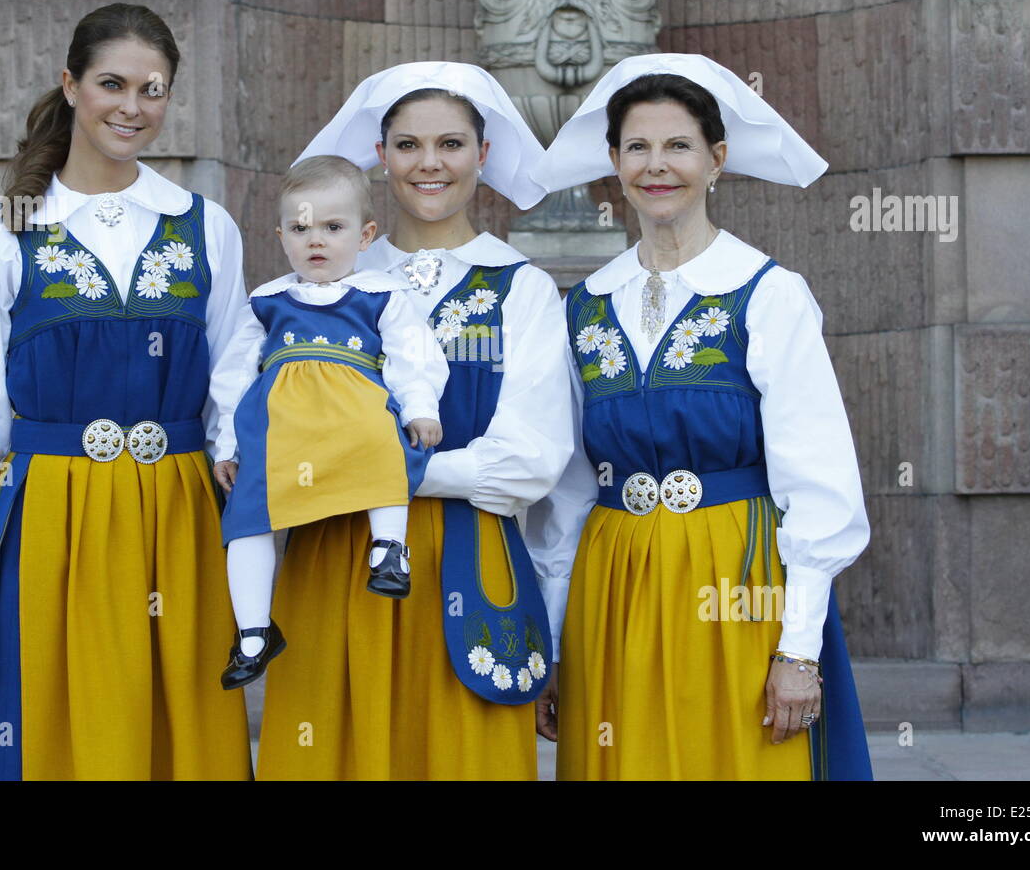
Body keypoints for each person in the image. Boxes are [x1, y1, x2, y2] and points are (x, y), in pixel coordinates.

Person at [0, 3, 253, 780]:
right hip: (52, 521)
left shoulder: (207, 227)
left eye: (154, 89)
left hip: (180, 519)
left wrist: (237, 478)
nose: (132, 107)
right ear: (70, 85)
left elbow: (235, 375)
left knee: (187, 738)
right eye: (112, 84)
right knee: (66, 737)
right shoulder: (5, 231)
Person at [525, 53, 874, 780]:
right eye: (638, 147)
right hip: (612, 584)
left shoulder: (768, 294)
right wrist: (554, 641)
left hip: (737, 583)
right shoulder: (584, 306)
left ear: (716, 159)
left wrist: (799, 650)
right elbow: (565, 494)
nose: (658, 165)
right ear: (613, 162)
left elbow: (820, 483)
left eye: (678, 146)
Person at [255, 62, 573, 780]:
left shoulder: (518, 286)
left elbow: (531, 458)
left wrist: (371, 469)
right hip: (334, 552)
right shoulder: (316, 279)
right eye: (407, 145)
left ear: (483, 155)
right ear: (380, 153)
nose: (429, 163)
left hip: (464, 553)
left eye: (452, 144)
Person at [210, 155, 448, 689]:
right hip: (278, 427)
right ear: (281, 236)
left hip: (353, 414)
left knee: (381, 440)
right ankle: (253, 629)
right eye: (300, 228)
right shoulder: (268, 301)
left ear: (365, 235)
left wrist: (421, 408)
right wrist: (227, 443)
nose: (315, 240)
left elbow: (414, 355)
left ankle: (389, 550)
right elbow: (233, 378)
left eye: (332, 227)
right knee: (248, 510)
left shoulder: (379, 295)